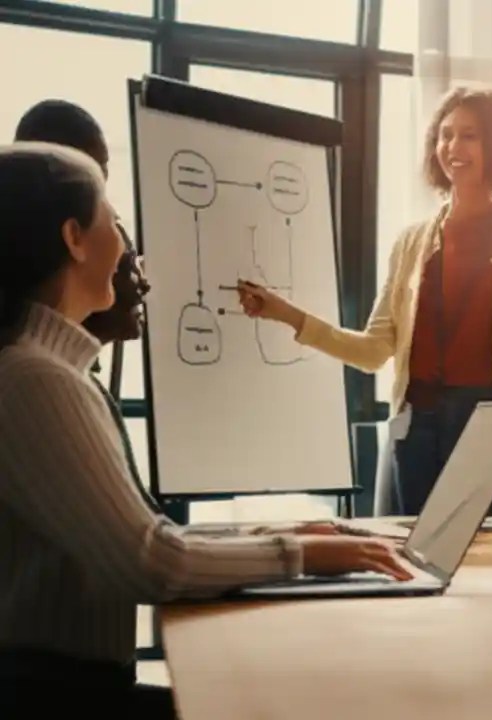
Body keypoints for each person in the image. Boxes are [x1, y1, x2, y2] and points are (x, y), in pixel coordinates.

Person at [0, 142, 412, 718]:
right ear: (74, 238)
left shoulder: (46, 370)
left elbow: (141, 536)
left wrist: (284, 532)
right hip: (58, 696)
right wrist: (306, 553)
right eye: (112, 220)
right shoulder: (36, 379)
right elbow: (153, 559)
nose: (127, 249)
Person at [14, 99, 352, 536]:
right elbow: (149, 553)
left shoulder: (60, 374)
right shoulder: (42, 380)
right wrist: (291, 547)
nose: (141, 284)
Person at [238, 87, 492, 517]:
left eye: (469, 136)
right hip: (415, 424)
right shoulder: (411, 242)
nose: (453, 147)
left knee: (485, 550)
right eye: (445, 135)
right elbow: (373, 350)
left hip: (488, 425)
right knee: (412, 549)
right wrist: (288, 315)